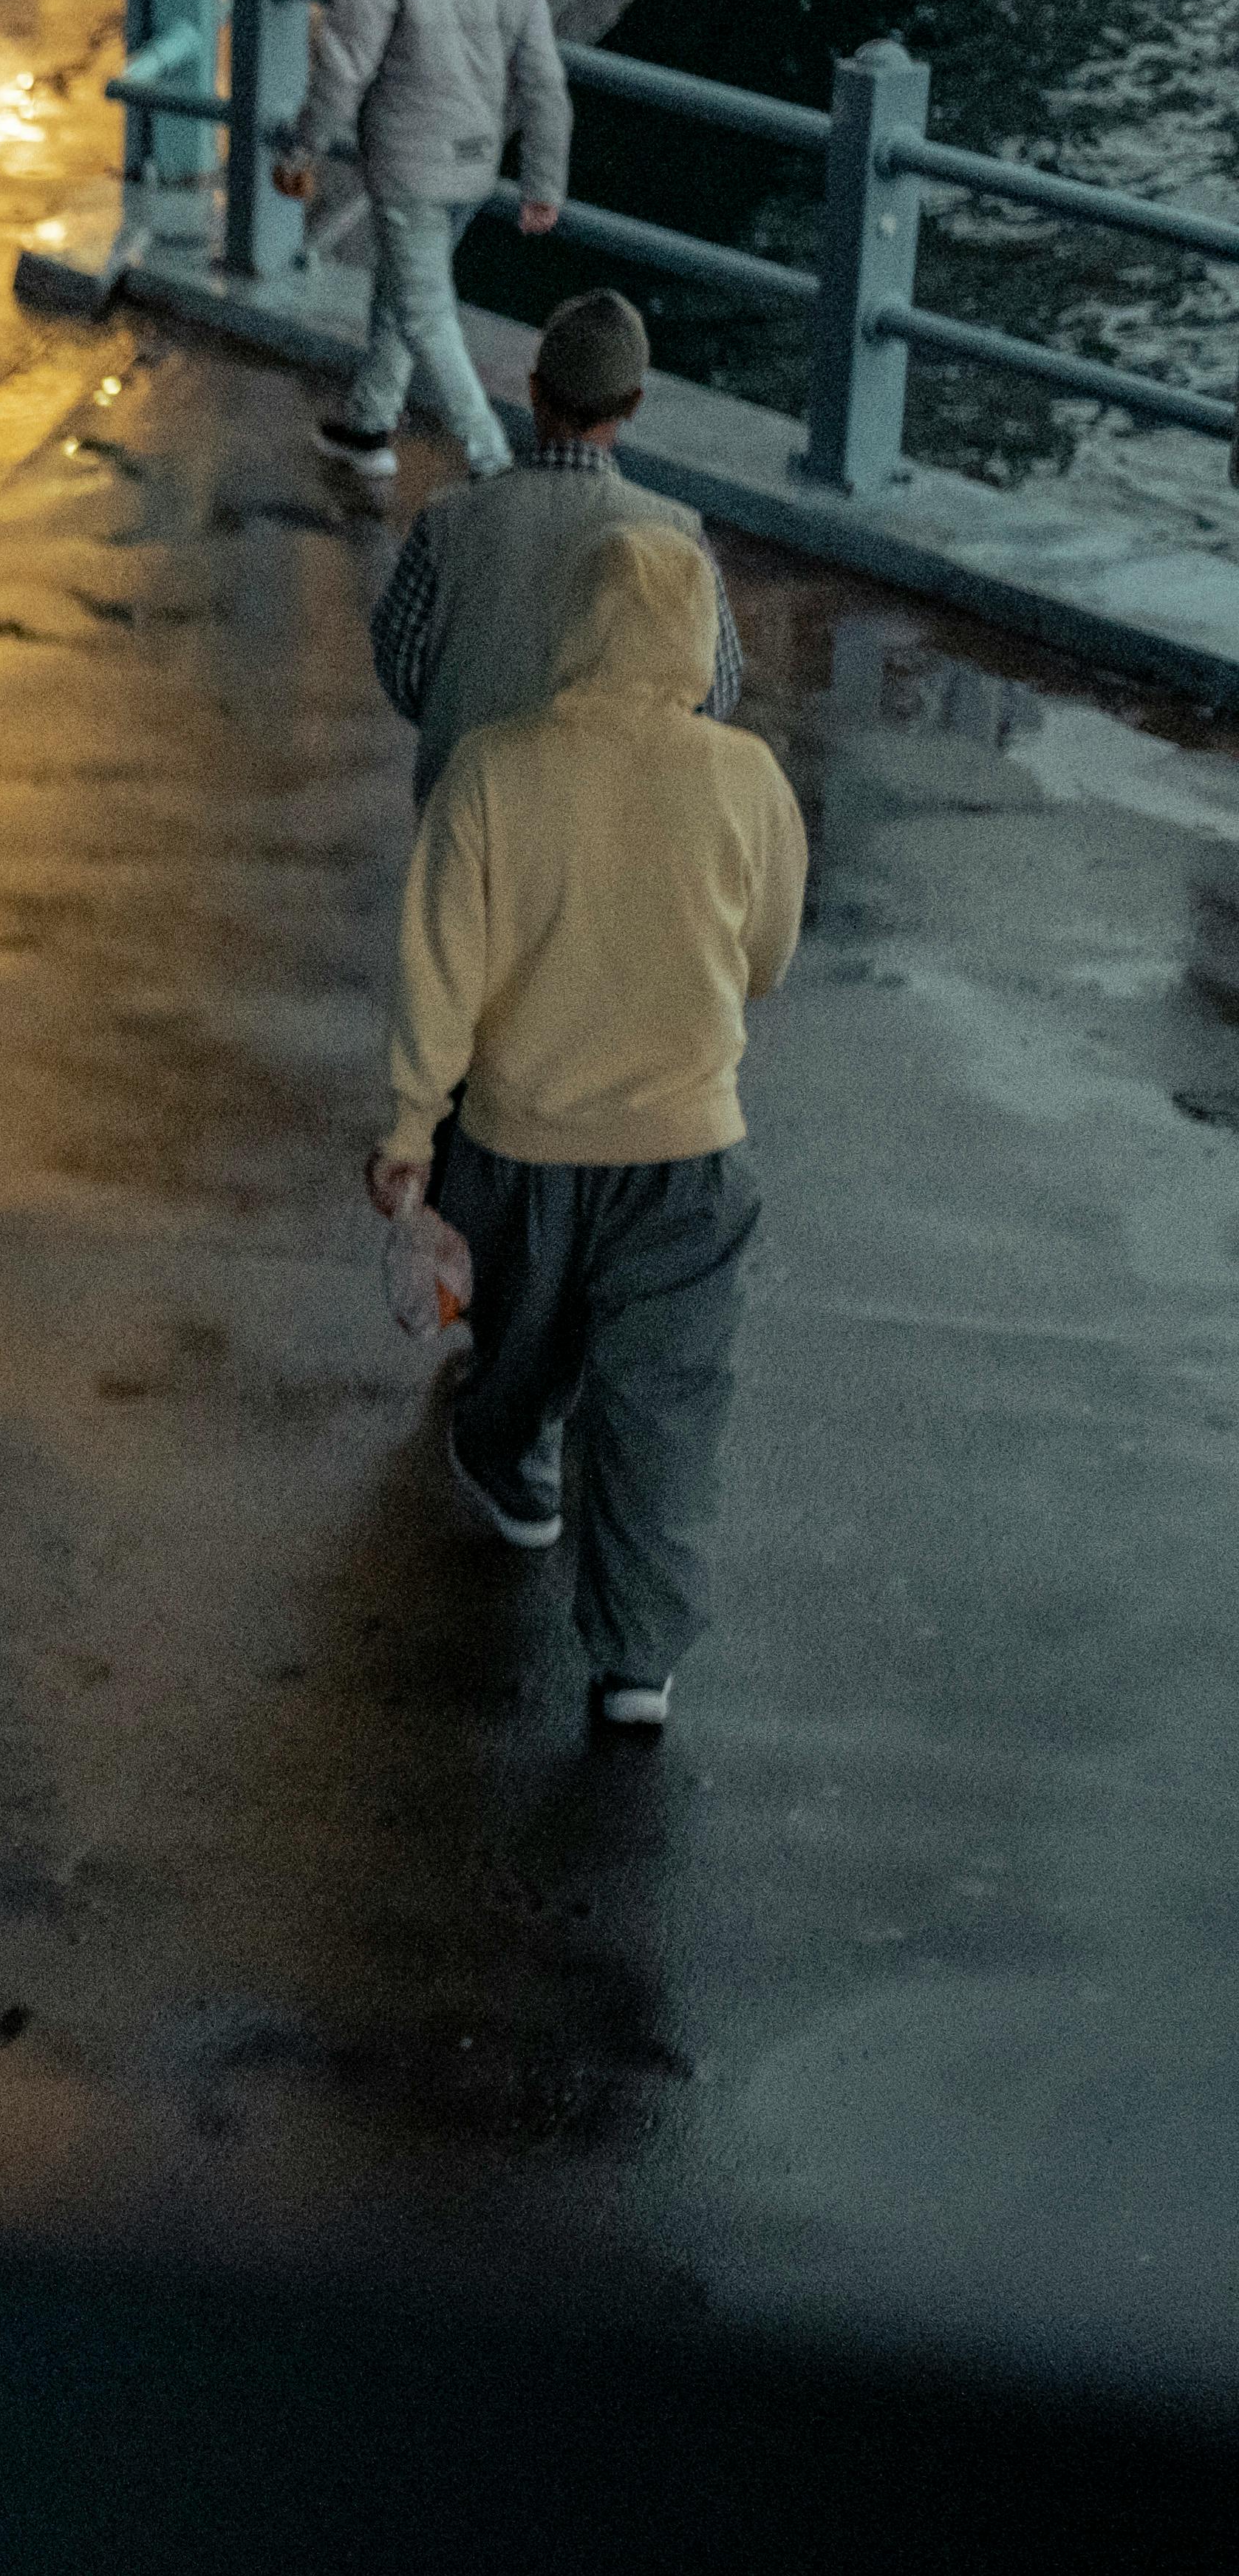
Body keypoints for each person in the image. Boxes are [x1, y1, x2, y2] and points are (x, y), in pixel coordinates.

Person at [371, 522, 805, 1738]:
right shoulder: (748, 779)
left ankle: (512, 1471)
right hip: (688, 1161)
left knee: (522, 1347)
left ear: (573, 627)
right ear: (697, 638)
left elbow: (436, 976)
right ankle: (636, 1665)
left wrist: (409, 1134)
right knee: (664, 1406)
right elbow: (768, 958)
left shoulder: (494, 773)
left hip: (521, 1149)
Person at [278, 0, 567, 480]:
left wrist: (301, 151)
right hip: (475, 162)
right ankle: (368, 424)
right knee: (404, 286)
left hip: (410, 165)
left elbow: (346, 64)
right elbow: (544, 82)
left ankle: (491, 460)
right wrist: (542, 184)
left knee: (425, 308)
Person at [371, 287, 745, 801]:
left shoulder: (445, 521)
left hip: (461, 815)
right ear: (633, 403)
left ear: (533, 390)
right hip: (604, 831)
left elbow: (403, 672)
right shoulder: (680, 537)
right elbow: (714, 693)